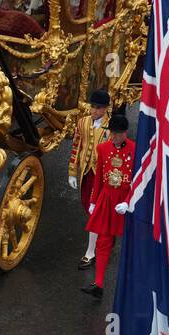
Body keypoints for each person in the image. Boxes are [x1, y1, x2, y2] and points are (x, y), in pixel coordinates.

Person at [81, 113, 133, 300]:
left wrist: (129, 201)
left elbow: (139, 179)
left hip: (125, 202)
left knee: (131, 245)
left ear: (125, 133)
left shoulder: (135, 150)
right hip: (107, 199)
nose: (114, 137)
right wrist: (94, 201)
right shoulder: (102, 148)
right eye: (112, 133)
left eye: (118, 133)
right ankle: (99, 284)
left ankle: (132, 288)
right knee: (103, 241)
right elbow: (98, 179)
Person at [67, 88, 109, 270]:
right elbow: (77, 146)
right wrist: (72, 172)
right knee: (87, 204)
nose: (94, 110)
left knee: (95, 212)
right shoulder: (82, 122)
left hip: (102, 177)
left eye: (99, 108)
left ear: (106, 108)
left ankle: (91, 251)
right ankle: (102, 234)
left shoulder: (110, 126)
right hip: (86, 172)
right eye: (93, 106)